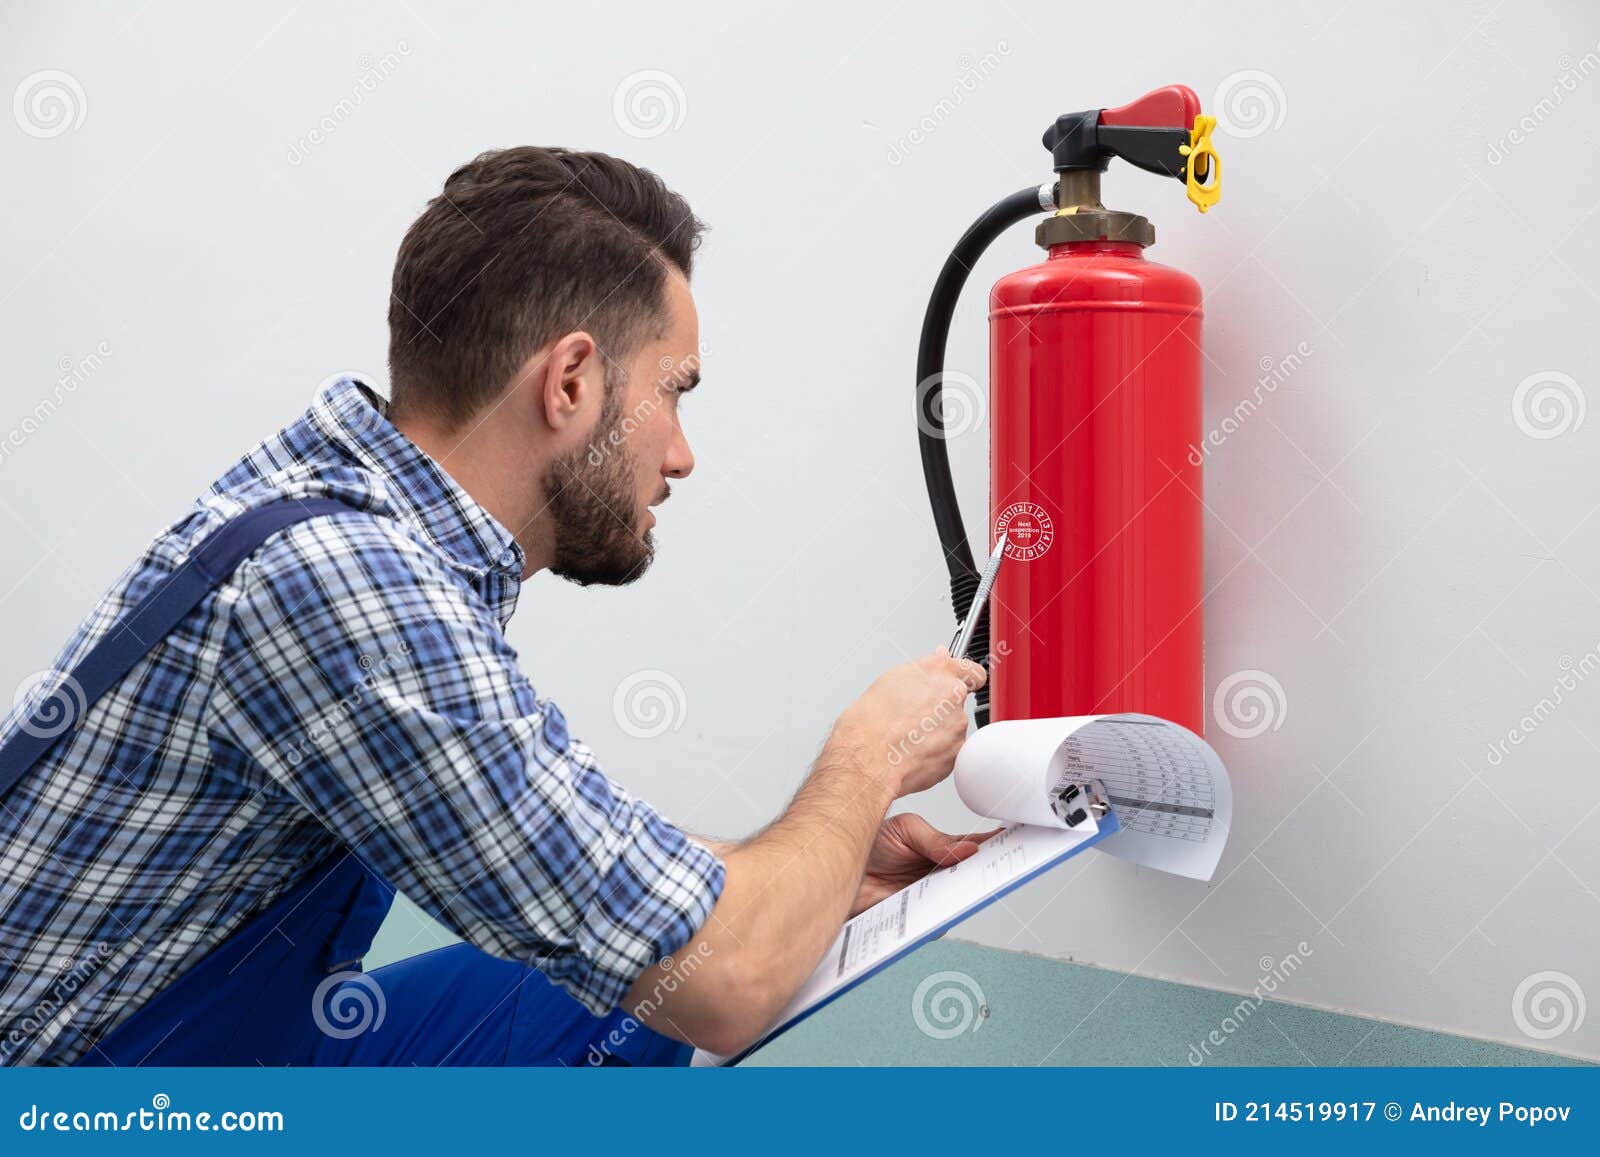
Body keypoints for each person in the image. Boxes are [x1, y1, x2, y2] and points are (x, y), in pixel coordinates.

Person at [0, 147, 988, 1067]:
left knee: (614, 986)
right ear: (567, 381)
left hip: (178, 1043)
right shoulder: (350, 587)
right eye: (673, 393)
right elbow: (728, 983)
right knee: (673, 977)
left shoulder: (347, 512)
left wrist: (809, 874)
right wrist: (869, 756)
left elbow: (565, 858)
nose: (681, 452)